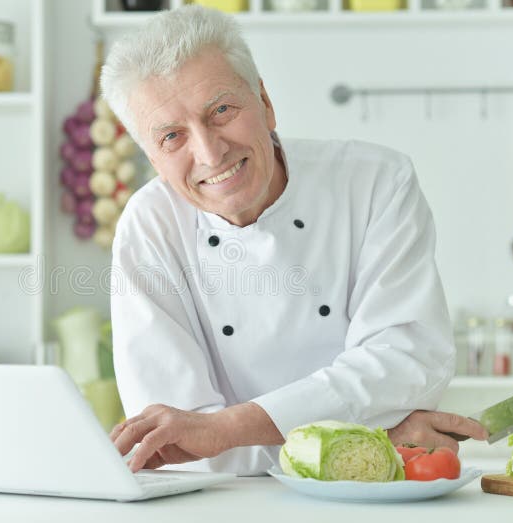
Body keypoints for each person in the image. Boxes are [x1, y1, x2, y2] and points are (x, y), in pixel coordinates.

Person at [99, 5, 487, 476]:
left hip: (372, 498)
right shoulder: (149, 224)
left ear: (264, 102)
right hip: (230, 510)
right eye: (172, 137)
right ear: (151, 158)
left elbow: (405, 360)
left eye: (221, 110)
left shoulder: (375, 183)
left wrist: (225, 431)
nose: (209, 151)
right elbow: (177, 444)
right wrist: (374, 436)